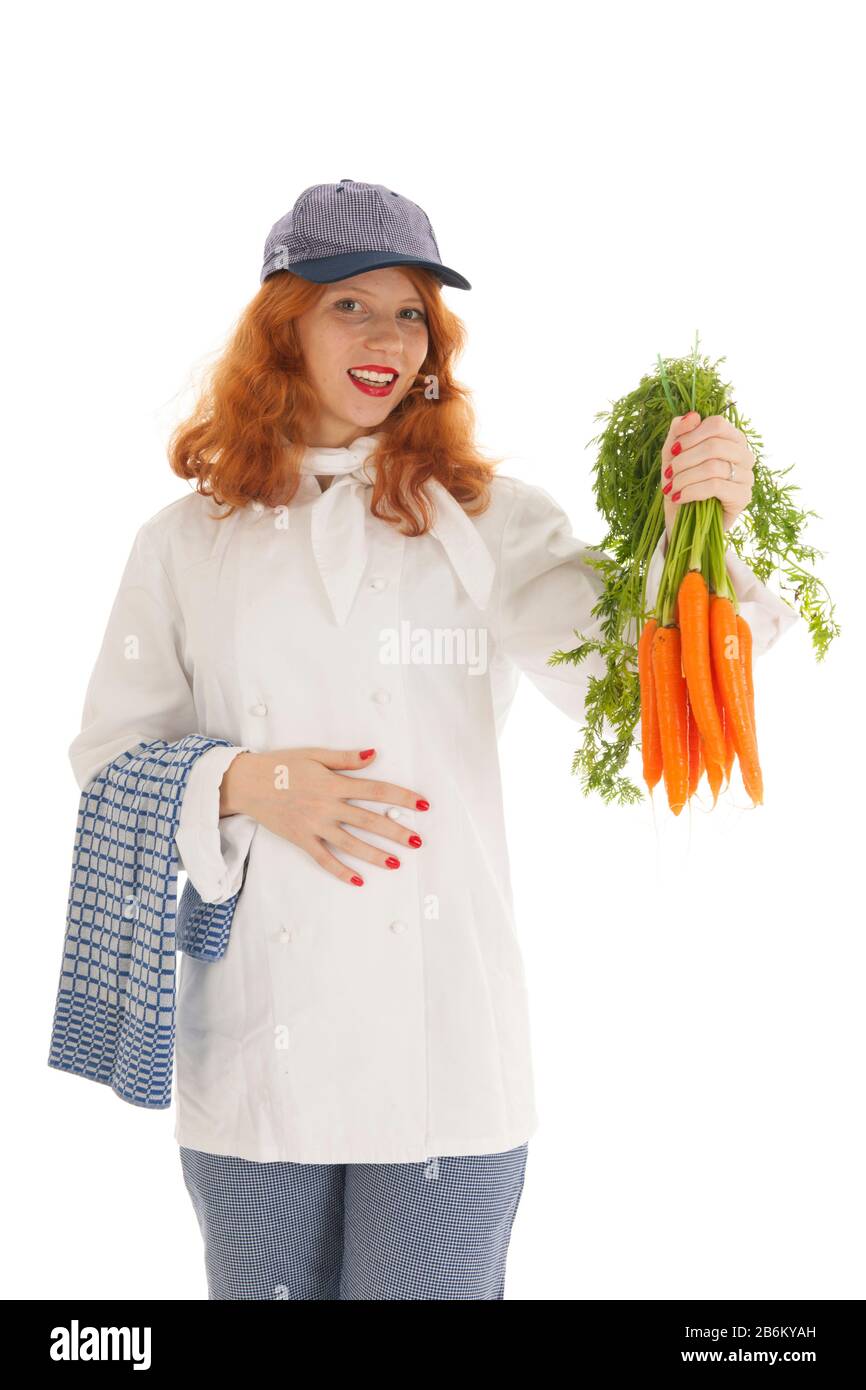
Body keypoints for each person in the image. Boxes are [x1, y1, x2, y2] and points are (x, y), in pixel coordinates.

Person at [66, 179, 798, 1300]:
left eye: (411, 314)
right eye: (350, 306)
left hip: (444, 1046)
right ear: (283, 327)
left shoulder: (484, 518)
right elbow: (111, 760)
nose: (387, 339)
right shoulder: (183, 544)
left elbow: (636, 686)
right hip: (263, 1049)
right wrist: (245, 780)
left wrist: (699, 524)